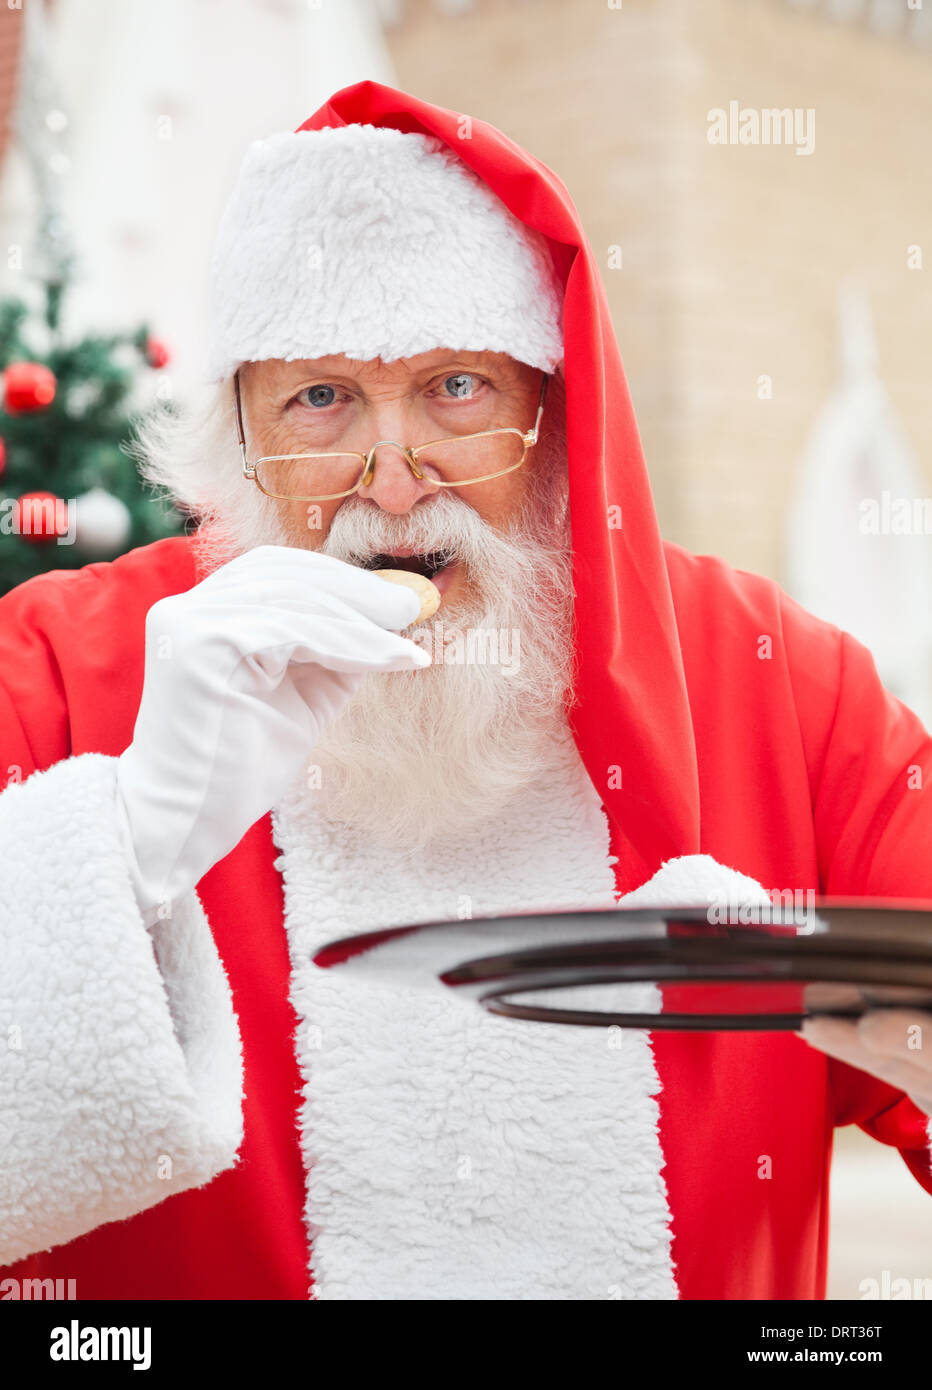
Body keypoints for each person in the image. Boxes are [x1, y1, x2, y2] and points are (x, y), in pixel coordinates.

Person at [1, 80, 931, 1302]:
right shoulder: (55, 664)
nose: (392, 483)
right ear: (236, 438)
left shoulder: (782, 683)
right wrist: (113, 852)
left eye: (456, 389)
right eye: (319, 398)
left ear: (555, 419)